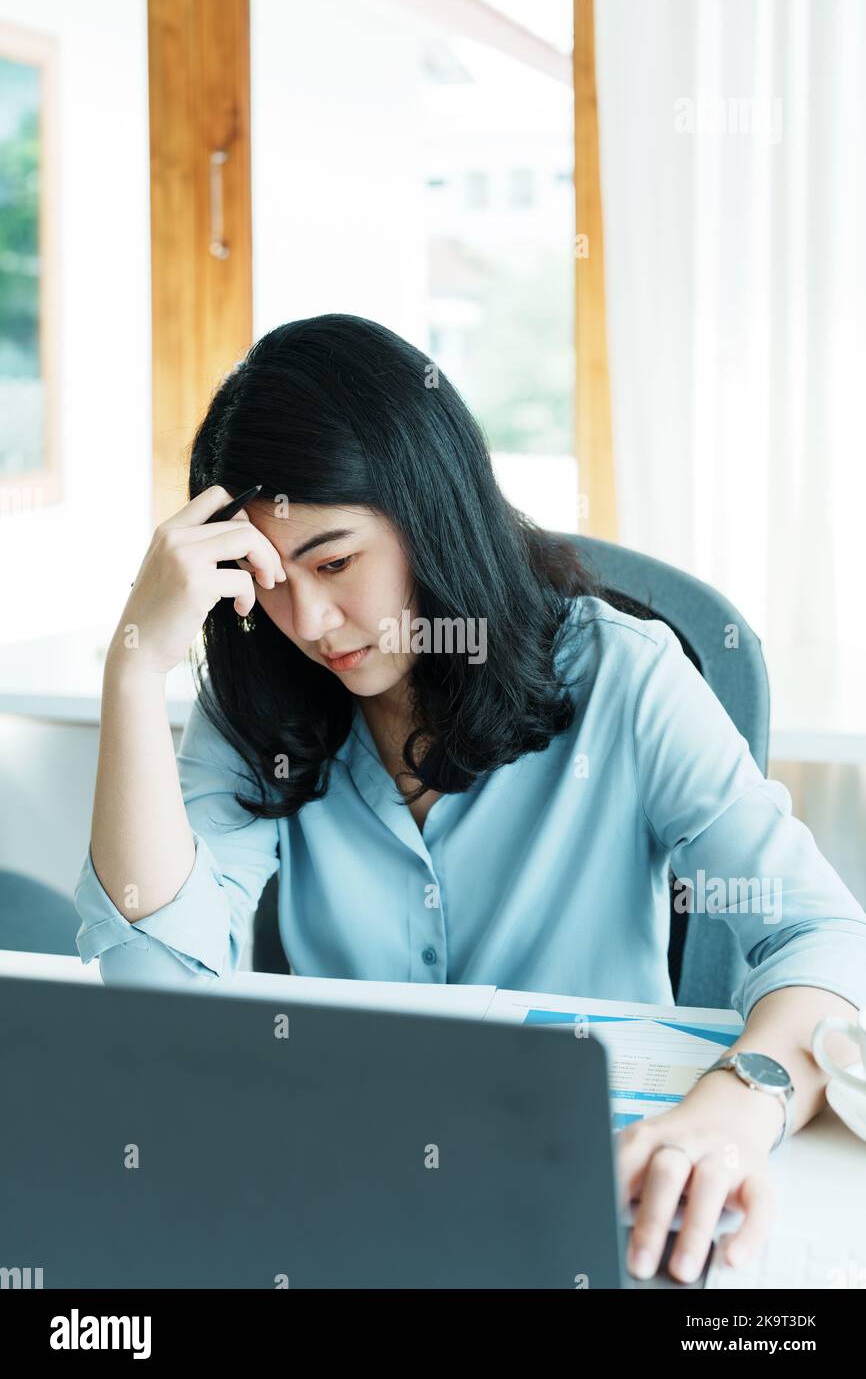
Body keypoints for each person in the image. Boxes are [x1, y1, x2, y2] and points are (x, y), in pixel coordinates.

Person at [74, 313, 866, 1284]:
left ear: (428, 511)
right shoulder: (258, 698)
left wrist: (734, 1104)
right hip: (346, 1198)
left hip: (596, 1194)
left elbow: (823, 937)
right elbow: (156, 984)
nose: (309, 622)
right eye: (271, 580)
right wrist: (135, 661)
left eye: (333, 562)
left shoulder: (624, 676)